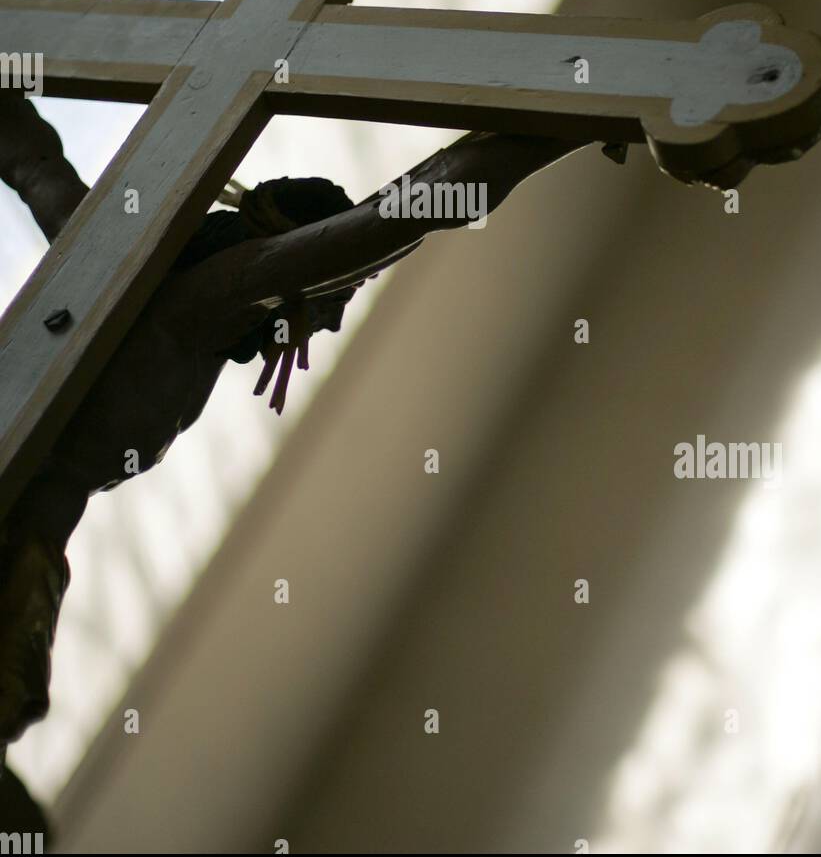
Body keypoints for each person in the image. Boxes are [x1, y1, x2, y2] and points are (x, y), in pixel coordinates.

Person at [0, 92, 586, 747]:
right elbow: (396, 219)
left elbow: (36, 165)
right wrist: (556, 127)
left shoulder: (111, 260)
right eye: (333, 296)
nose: (329, 322)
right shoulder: (225, 290)